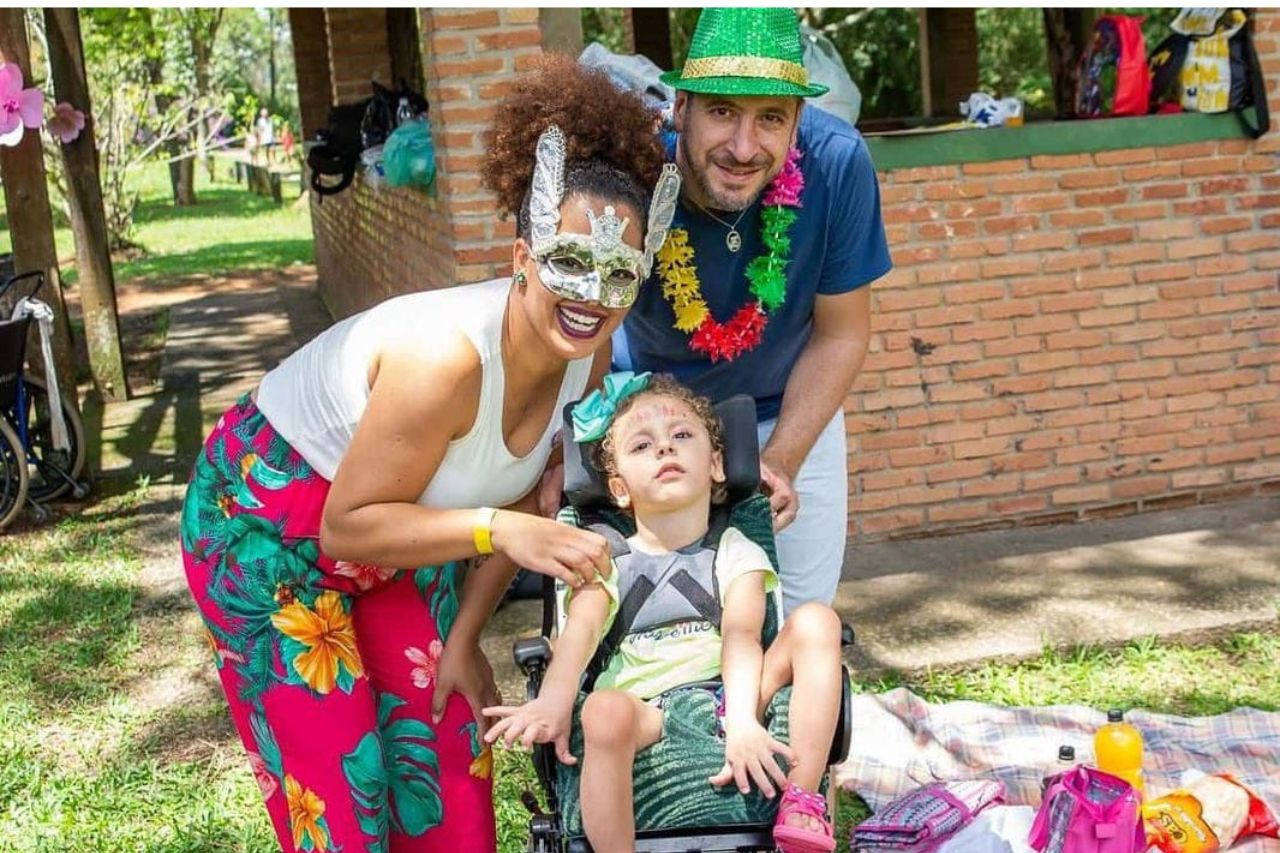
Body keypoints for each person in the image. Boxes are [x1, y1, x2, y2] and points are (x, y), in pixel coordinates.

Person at [180, 55, 679, 853]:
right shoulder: (446, 360)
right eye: (571, 261)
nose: (593, 294)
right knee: (348, 779)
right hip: (268, 524)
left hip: (405, 532)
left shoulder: (586, 354)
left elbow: (521, 503)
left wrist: (463, 635)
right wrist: (500, 531)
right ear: (523, 256)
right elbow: (352, 526)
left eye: (620, 274)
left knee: (448, 743)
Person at [484, 373, 845, 853]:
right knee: (602, 708)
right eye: (642, 445)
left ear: (717, 464)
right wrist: (554, 698)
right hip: (643, 706)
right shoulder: (604, 556)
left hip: (728, 693)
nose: (664, 449)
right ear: (618, 488)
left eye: (681, 435)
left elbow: (742, 636)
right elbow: (581, 634)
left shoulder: (735, 548)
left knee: (818, 620)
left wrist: (741, 722)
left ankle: (801, 801)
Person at [612, 8, 893, 615]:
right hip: (651, 419)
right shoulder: (631, 166)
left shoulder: (838, 162)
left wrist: (780, 460)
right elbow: (582, 324)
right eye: (721, 112)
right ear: (680, 107)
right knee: (661, 630)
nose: (743, 148)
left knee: (796, 625)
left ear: (798, 120)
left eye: (770, 118)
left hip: (787, 414)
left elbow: (842, 335)